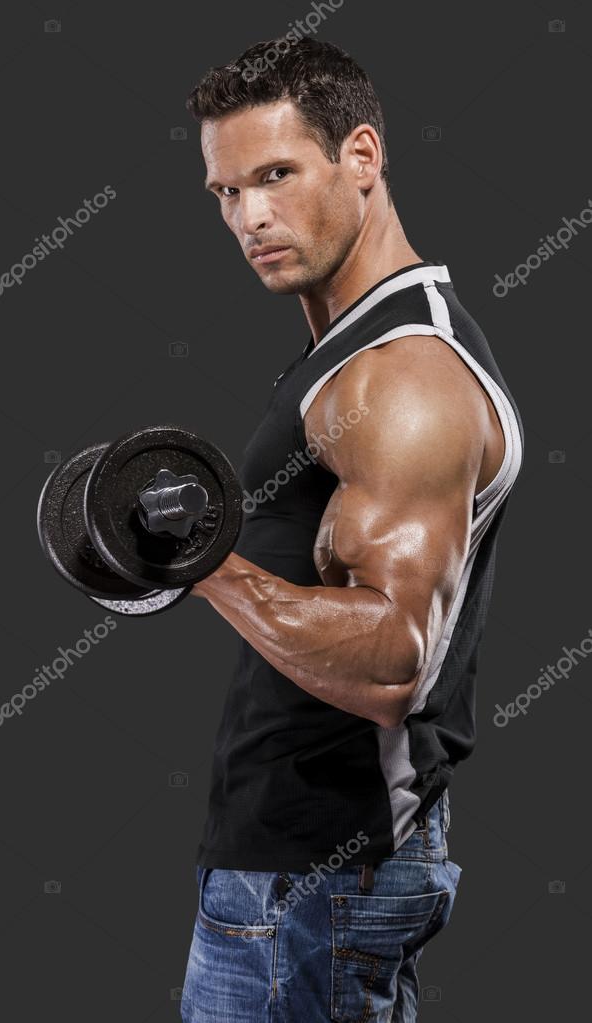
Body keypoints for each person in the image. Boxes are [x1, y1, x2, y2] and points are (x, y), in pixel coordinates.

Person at [180, 37, 524, 1022]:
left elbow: (389, 660)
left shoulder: (399, 378)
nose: (250, 216)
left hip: (320, 876)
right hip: (284, 868)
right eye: (226, 192)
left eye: (276, 175)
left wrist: (200, 562)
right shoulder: (345, 350)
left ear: (361, 157)